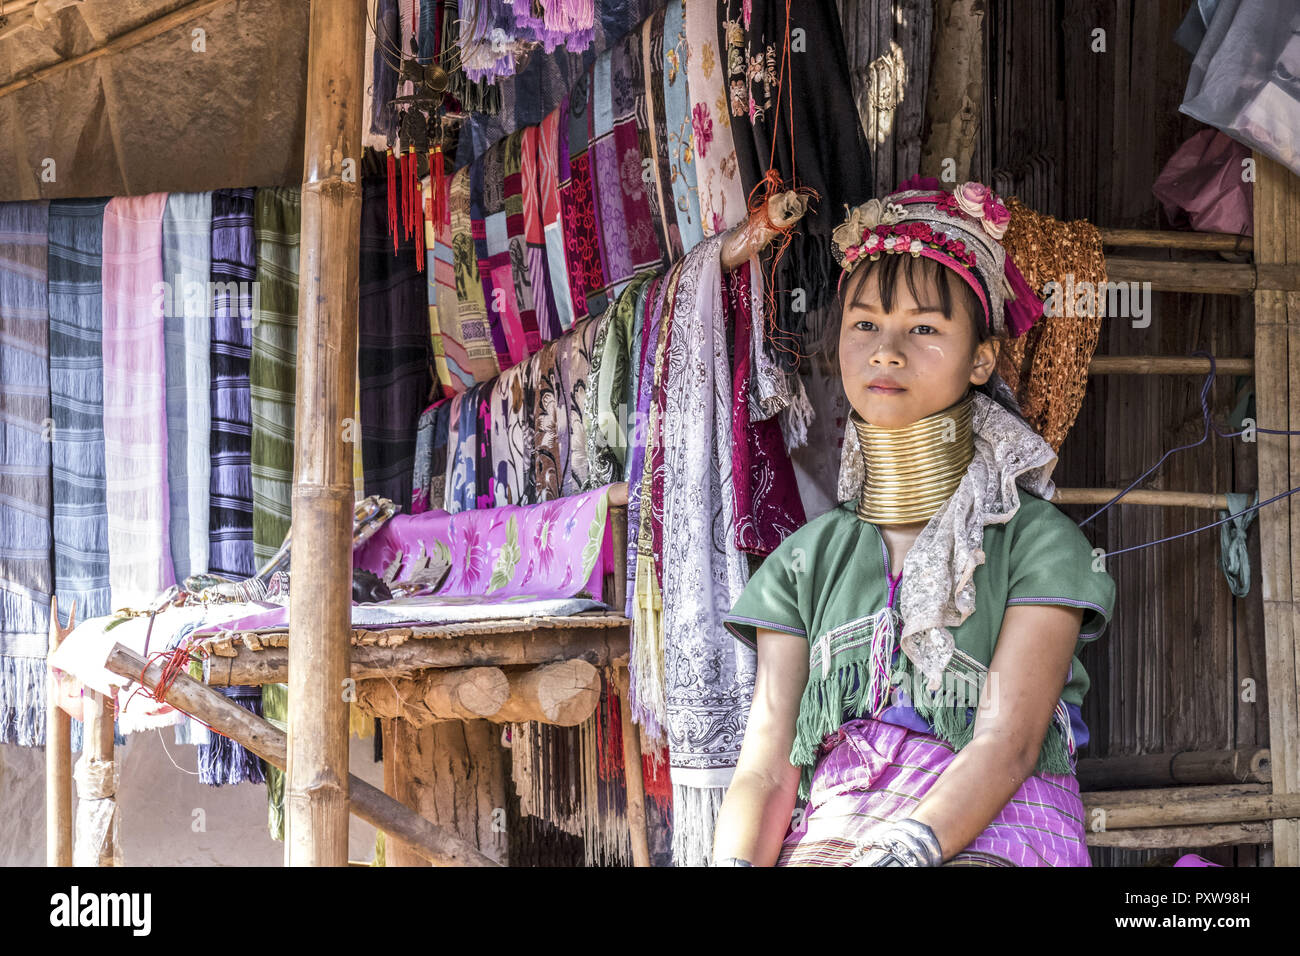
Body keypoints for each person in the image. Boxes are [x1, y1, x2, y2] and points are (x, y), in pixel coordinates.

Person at [711, 181, 1117, 866]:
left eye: (924, 328)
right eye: (864, 324)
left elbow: (1007, 741)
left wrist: (910, 848)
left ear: (982, 357)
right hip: (837, 836)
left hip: (1000, 831)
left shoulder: (1040, 544)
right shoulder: (805, 563)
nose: (887, 350)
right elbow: (767, 769)